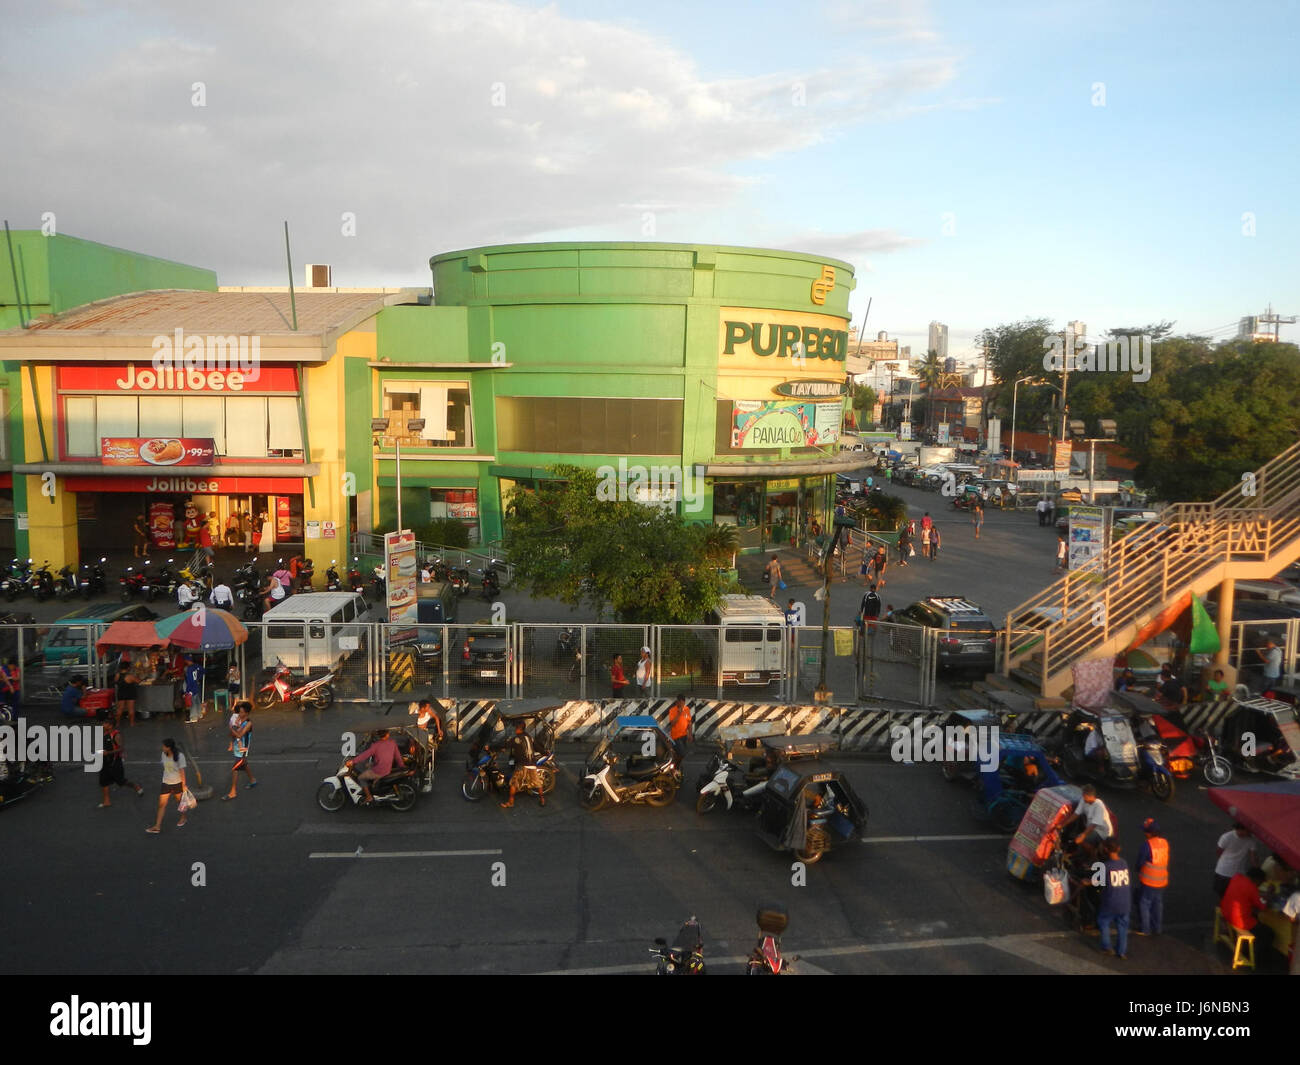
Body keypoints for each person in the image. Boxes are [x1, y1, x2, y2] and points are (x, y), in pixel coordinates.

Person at [1220, 868, 1272, 955]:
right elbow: (1262, 906)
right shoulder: (1252, 888)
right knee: (1268, 934)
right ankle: (1254, 955)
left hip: (1226, 911)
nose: (1260, 885)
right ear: (1257, 880)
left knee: (1255, 917)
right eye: (1261, 882)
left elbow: (1247, 895)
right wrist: (1269, 895)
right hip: (1239, 921)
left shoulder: (1237, 877)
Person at [348, 728, 405, 805]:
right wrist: (402, 766)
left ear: (378, 735)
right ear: (387, 734)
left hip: (379, 771)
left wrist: (353, 761)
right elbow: (398, 757)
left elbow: (365, 755)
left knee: (360, 778)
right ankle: (373, 785)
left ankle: (369, 797)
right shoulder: (392, 743)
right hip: (387, 768)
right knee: (368, 765)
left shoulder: (375, 746)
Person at [1097, 838, 1132, 960]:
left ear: (1105, 849)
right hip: (1125, 903)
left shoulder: (1105, 866)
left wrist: (1086, 882)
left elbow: (1098, 882)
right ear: (1118, 849)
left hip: (1111, 902)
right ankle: (1121, 951)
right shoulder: (1124, 863)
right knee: (1122, 927)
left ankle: (1107, 946)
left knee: (1103, 921)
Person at [1134, 817, 1169, 936]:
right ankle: (1157, 928)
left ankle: (1145, 929)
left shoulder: (1147, 845)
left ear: (1150, 832)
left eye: (1145, 831)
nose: (1144, 833)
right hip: (1162, 880)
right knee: (1157, 903)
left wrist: (1137, 869)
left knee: (1144, 903)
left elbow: (1140, 862)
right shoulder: (1164, 842)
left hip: (1149, 881)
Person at [97, 720, 143, 807]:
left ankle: (136, 786)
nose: (103, 725)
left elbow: (121, 749)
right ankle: (107, 801)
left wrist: (108, 753)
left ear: (110, 726)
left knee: (121, 781)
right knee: (103, 781)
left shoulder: (116, 735)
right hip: (105, 761)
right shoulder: (104, 733)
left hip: (115, 762)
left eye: (105, 723)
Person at [147, 738, 189, 833]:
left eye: (164, 746)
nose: (162, 748)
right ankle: (157, 826)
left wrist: (183, 785)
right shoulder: (163, 754)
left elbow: (182, 771)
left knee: (180, 802)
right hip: (166, 783)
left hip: (177, 783)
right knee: (161, 805)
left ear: (169, 747)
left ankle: (183, 817)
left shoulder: (180, 756)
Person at [500, 722, 544, 808]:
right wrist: (545, 752)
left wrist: (491, 747)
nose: (515, 730)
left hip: (522, 765)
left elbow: (505, 746)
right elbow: (537, 747)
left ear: (518, 729)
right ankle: (542, 799)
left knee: (513, 783)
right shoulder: (529, 737)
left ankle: (510, 802)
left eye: (515, 728)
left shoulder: (517, 739)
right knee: (538, 783)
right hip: (532, 764)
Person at [1215, 822, 1258, 898]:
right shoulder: (1226, 837)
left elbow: (1253, 857)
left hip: (1237, 873)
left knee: (1233, 895)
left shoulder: (1251, 839)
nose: (1249, 832)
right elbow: (1219, 851)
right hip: (1224, 871)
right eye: (1247, 830)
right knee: (1223, 894)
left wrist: (1256, 869)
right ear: (1239, 829)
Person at [223, 702, 256, 799]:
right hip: (238, 748)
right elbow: (233, 734)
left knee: (235, 769)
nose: (239, 714)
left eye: (241, 712)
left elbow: (239, 735)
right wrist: (233, 729)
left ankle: (233, 791)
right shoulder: (239, 720)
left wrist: (231, 728)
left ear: (246, 713)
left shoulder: (248, 723)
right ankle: (252, 780)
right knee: (244, 764)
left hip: (242, 750)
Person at [1071, 784, 1114, 853]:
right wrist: (1062, 824)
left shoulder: (1099, 805)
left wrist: (1083, 836)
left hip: (1101, 832)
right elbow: (1076, 814)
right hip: (1091, 828)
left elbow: (1093, 825)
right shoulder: (1084, 800)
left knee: (1080, 840)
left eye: (1084, 795)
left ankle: (1093, 854)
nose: (1082, 796)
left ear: (1089, 796)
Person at [115, 652, 139, 727]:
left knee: (120, 709)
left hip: (121, 693)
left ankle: (117, 723)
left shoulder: (117, 675)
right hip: (130, 693)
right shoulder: (130, 676)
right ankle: (132, 723)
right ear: (128, 668)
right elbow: (139, 681)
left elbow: (116, 682)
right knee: (131, 709)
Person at [668, 695, 693, 764]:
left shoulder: (687, 709)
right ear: (677, 702)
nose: (682, 705)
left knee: (680, 754)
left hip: (684, 736)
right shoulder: (672, 710)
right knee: (682, 753)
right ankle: (674, 765)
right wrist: (679, 714)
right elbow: (672, 723)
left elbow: (689, 723)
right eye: (681, 703)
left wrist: (690, 734)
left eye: (683, 703)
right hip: (676, 737)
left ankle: (677, 767)